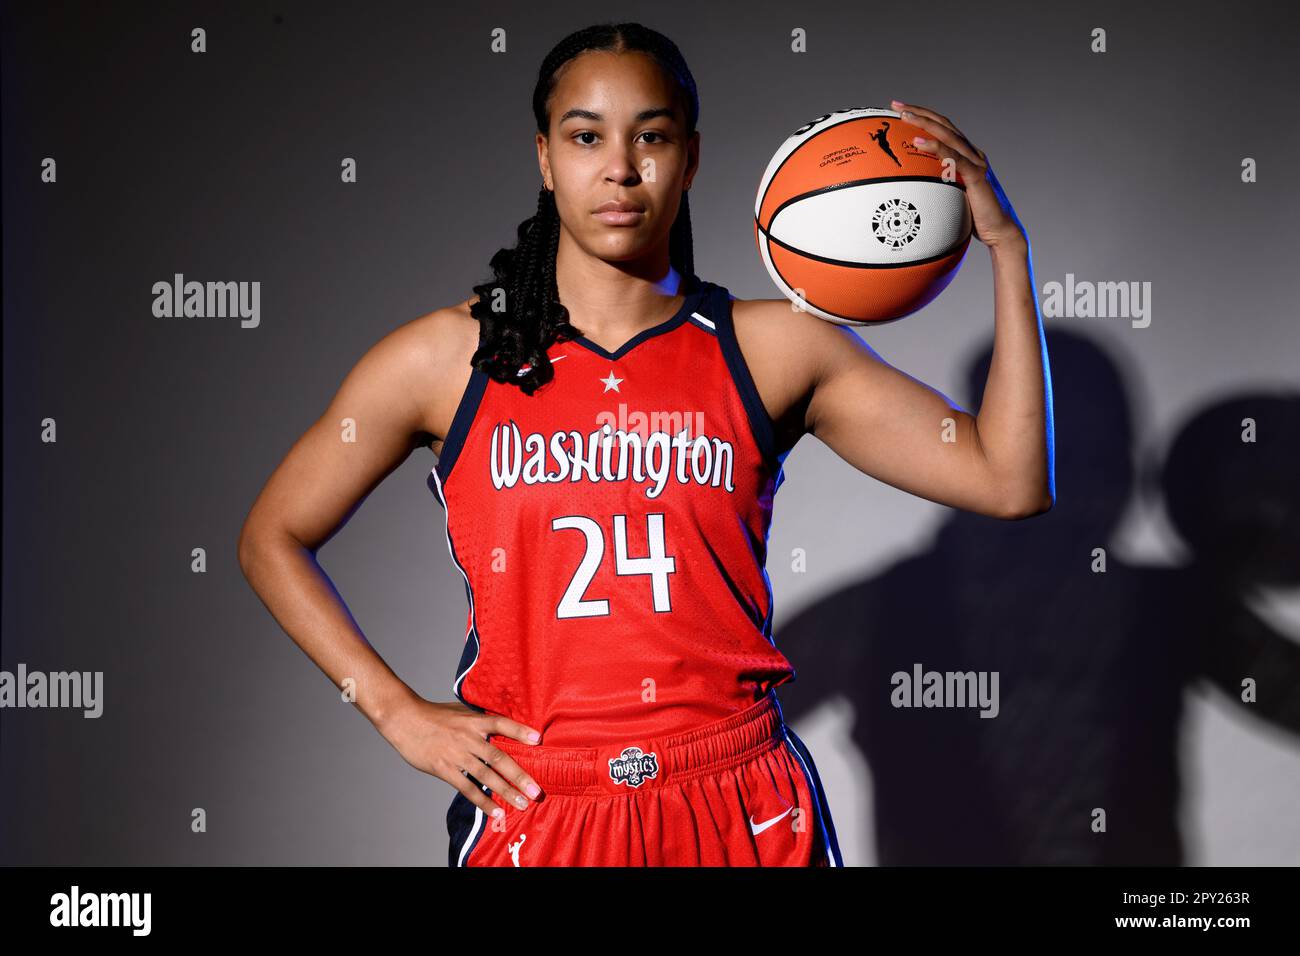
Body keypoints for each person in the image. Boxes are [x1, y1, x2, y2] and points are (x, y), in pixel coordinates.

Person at [237, 21, 1053, 867]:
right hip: (542, 803)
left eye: (651, 136)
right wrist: (393, 710)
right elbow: (272, 537)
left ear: (691, 159)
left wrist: (1004, 248)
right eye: (586, 136)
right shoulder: (447, 360)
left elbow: (1009, 477)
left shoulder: (770, 349)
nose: (620, 167)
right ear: (546, 159)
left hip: (742, 800)